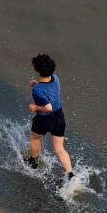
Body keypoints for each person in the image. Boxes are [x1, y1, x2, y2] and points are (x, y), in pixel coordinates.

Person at [25, 53, 72, 183]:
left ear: (38, 71)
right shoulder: (55, 78)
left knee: (35, 138)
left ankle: (33, 162)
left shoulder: (37, 90)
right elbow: (48, 90)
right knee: (60, 149)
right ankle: (70, 174)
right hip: (59, 117)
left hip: (45, 119)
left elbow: (48, 107)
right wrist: (37, 85)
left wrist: (36, 107)